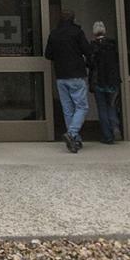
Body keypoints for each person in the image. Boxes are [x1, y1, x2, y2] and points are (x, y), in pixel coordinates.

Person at [44, 9, 90, 152]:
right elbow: (87, 50)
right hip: (76, 75)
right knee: (82, 107)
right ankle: (72, 133)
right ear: (73, 19)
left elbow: (48, 54)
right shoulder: (77, 33)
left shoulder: (54, 34)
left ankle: (75, 140)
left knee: (68, 109)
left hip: (61, 76)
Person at [89, 21, 122, 144]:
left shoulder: (93, 46)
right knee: (112, 106)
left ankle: (107, 136)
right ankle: (115, 127)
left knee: (102, 108)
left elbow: (90, 63)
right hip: (112, 81)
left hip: (99, 82)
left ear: (94, 33)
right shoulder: (113, 45)